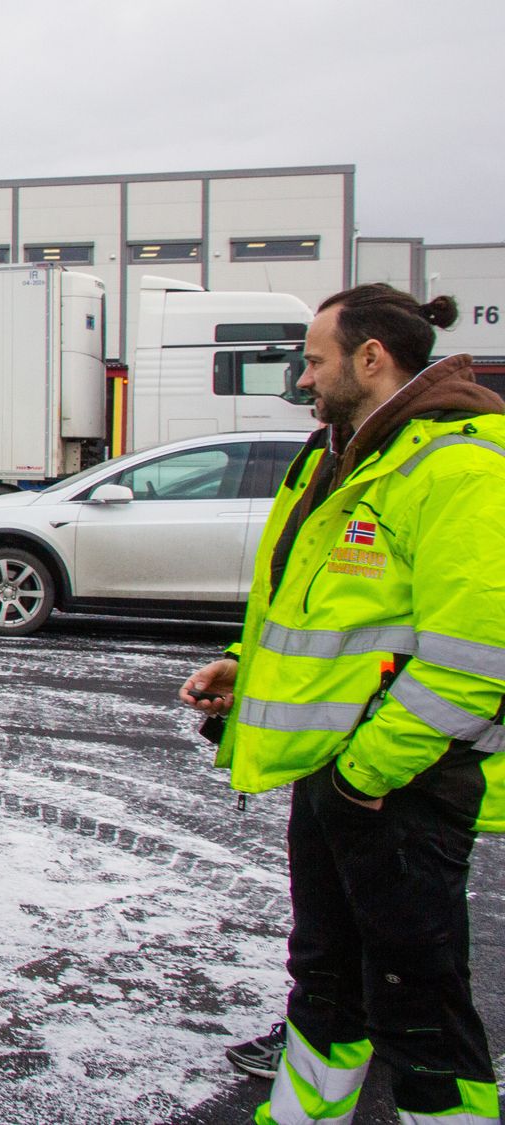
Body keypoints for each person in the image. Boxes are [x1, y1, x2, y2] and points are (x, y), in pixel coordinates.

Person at [180, 283, 505, 1125]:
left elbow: (477, 661)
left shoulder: (459, 467)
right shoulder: (341, 454)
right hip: (338, 776)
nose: (302, 379)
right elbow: (313, 608)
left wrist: (366, 774)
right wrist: (242, 670)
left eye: (315, 360)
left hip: (404, 784)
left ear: (372, 358)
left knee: (420, 1001)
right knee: (324, 980)